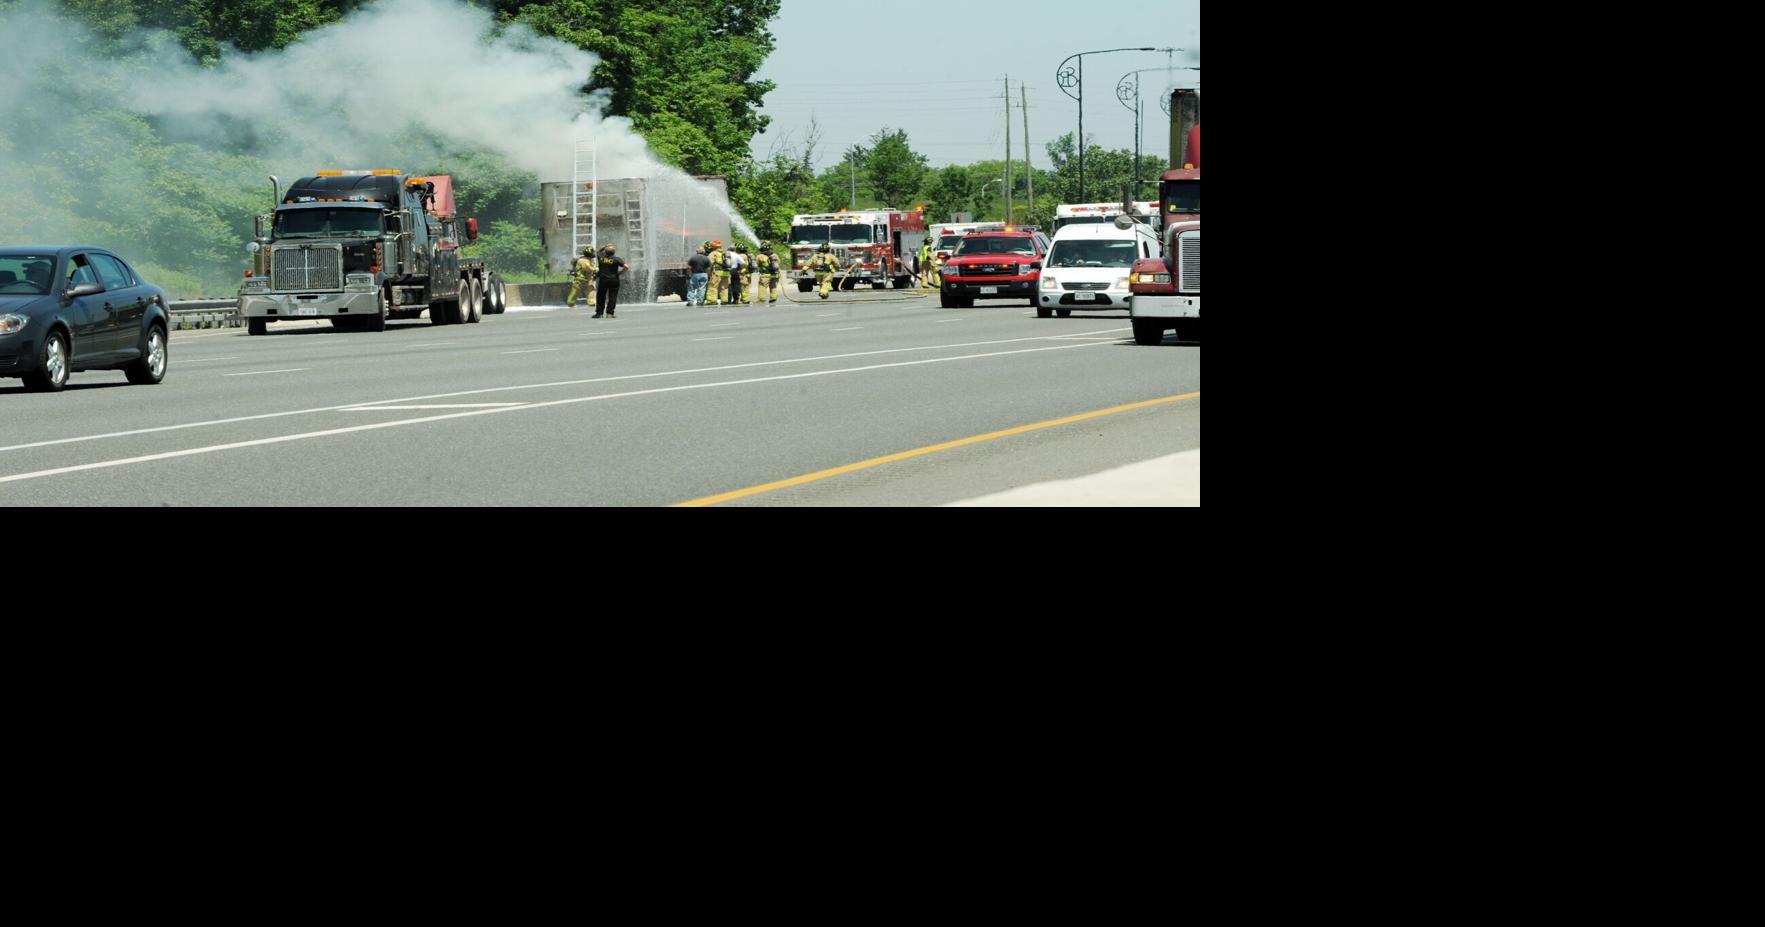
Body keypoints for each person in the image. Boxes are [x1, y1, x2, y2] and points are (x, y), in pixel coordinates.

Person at [593, 243, 628, 318]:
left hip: (603, 280)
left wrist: (605, 246)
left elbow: (598, 251)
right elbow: (626, 266)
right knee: (612, 296)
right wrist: (620, 273)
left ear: (605, 251)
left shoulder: (601, 257)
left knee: (601, 296)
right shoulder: (616, 259)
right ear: (614, 252)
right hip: (614, 279)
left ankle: (599, 313)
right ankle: (610, 313)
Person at [707, 239, 729, 306]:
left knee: (713, 286)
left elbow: (710, 263)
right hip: (726, 272)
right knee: (724, 287)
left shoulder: (713, 253)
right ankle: (724, 300)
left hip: (717, 272)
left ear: (713, 246)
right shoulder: (725, 253)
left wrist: (708, 272)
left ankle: (712, 301)